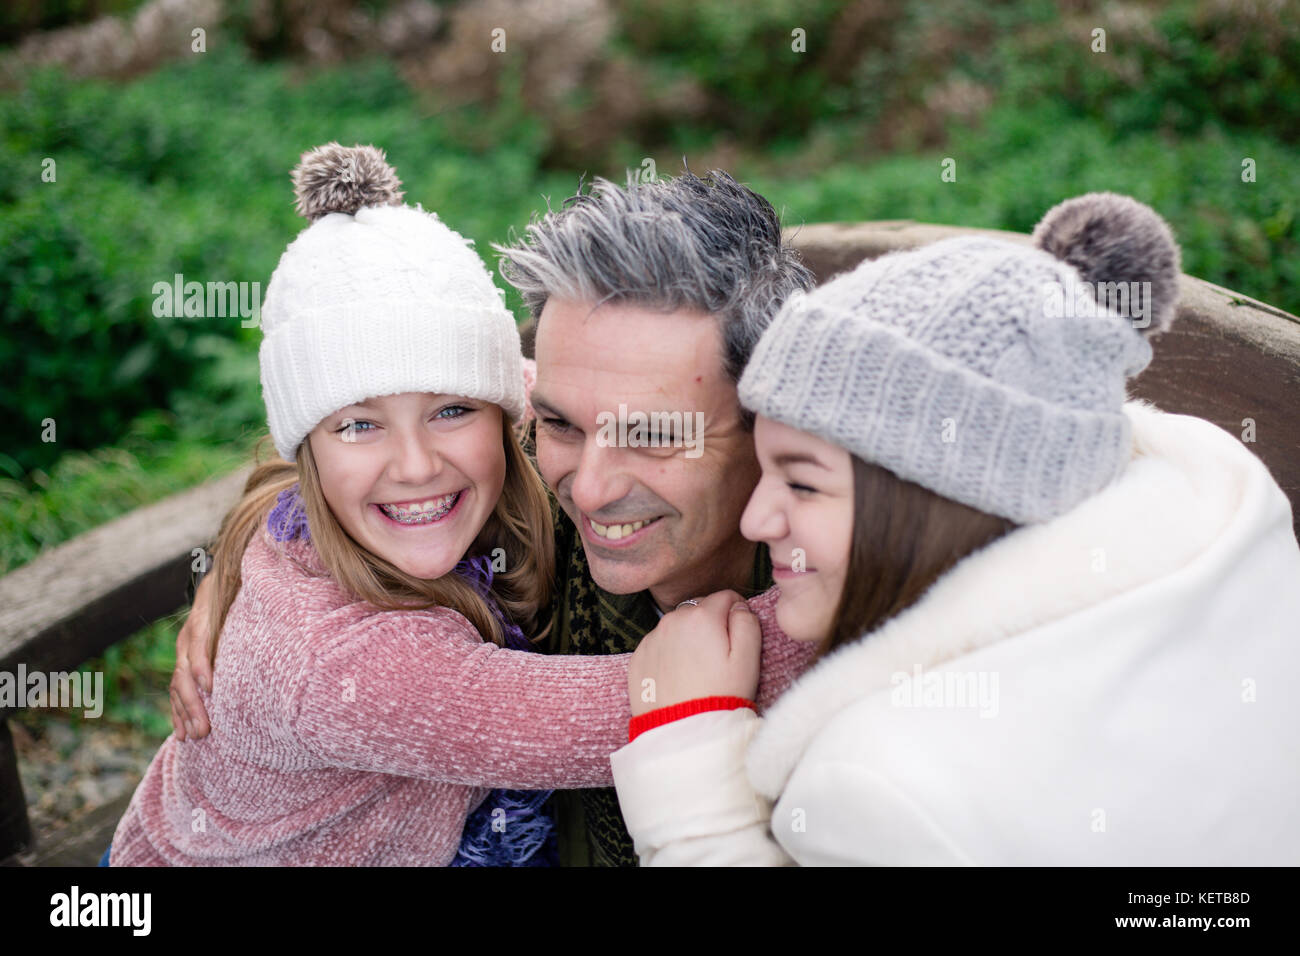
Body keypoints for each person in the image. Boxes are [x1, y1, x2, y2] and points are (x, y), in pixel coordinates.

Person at [108, 143, 811, 866]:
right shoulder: (346, 656)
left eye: (655, 436)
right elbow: (658, 707)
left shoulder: (526, 422)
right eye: (561, 422)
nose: (591, 488)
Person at [609, 192, 1300, 865]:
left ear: (938, 496)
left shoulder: (886, 788)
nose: (757, 519)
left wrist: (692, 767)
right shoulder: (1220, 524)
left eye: (803, 481)